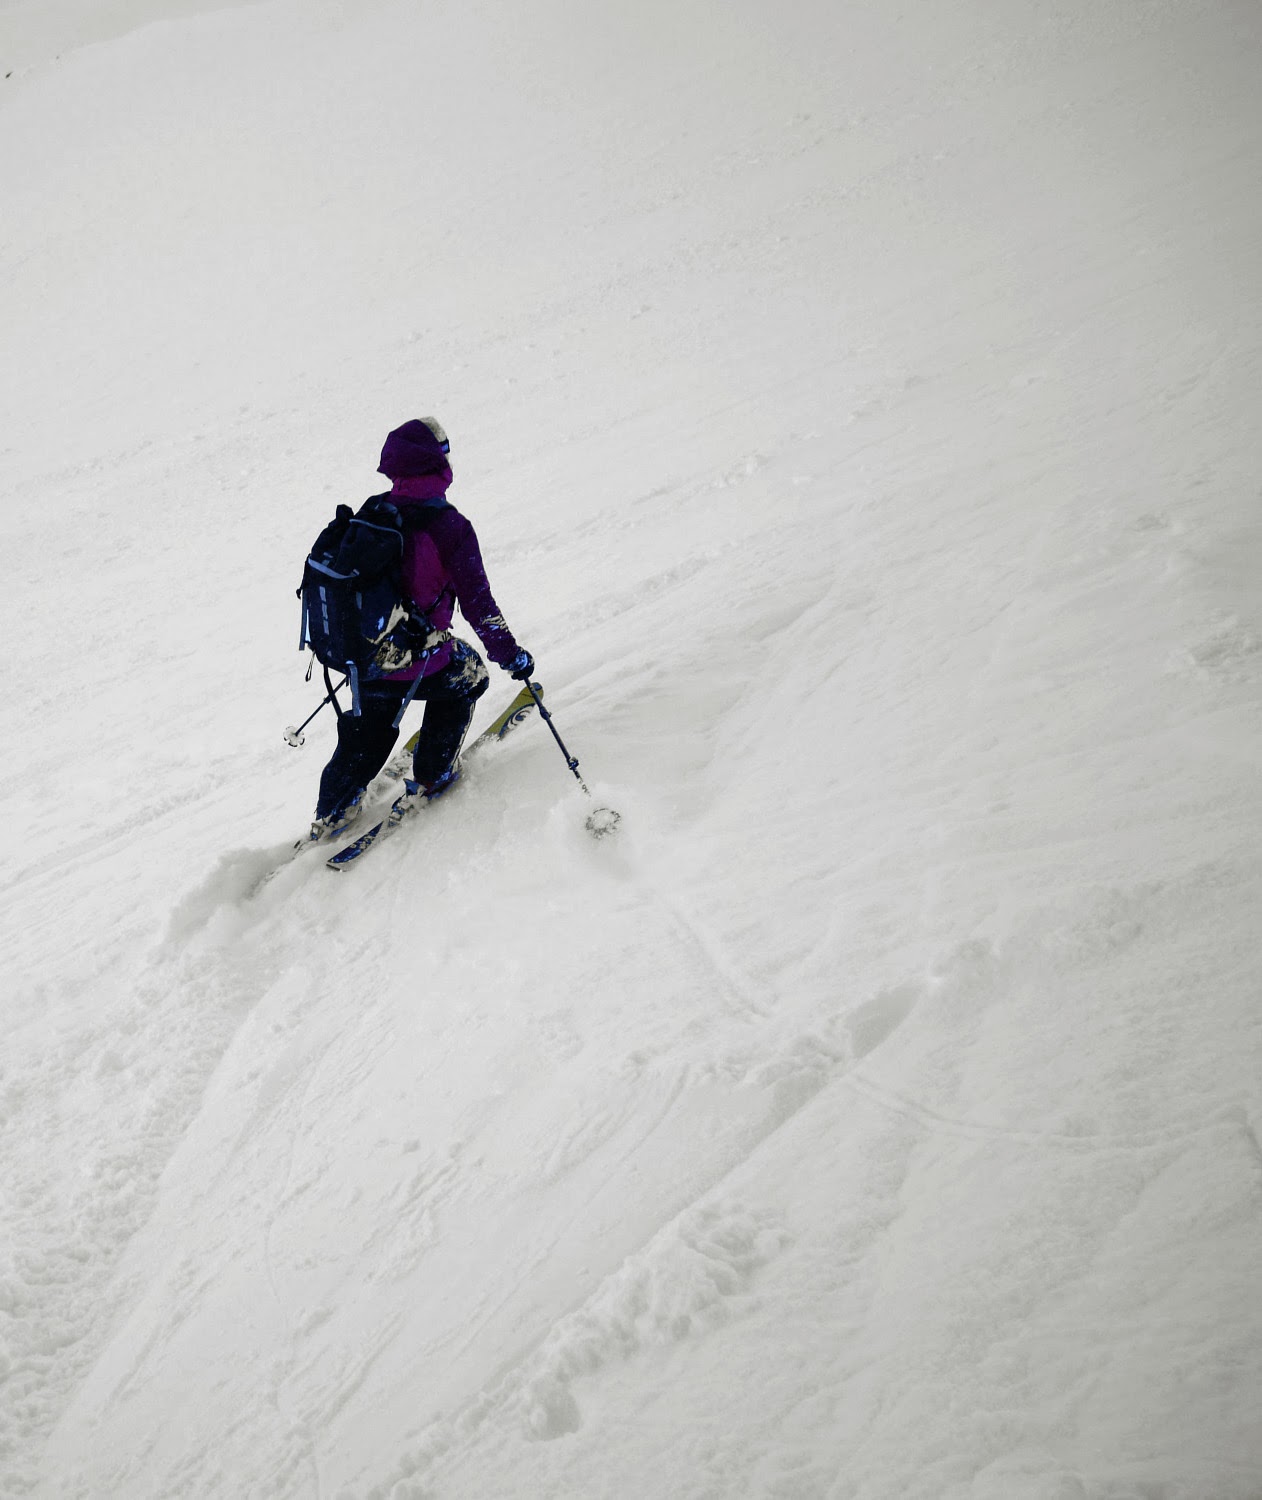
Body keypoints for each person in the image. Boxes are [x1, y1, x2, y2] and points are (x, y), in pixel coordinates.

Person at [308, 418, 533, 840]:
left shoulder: (374, 511)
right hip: (418, 660)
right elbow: (479, 607)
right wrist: (512, 657)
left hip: (364, 656)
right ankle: (432, 776)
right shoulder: (451, 528)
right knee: (468, 677)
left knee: (368, 729)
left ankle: (332, 810)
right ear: (438, 464)